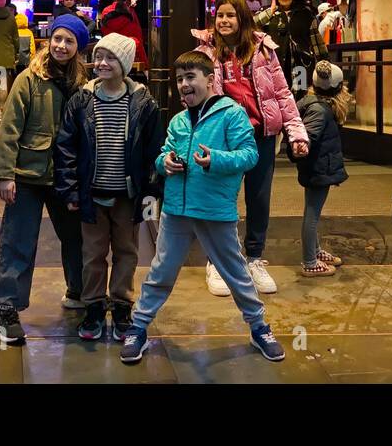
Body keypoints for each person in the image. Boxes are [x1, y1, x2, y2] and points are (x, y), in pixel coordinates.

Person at [120, 50, 285, 365]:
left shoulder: (231, 114)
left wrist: (216, 161)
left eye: (190, 77)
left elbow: (250, 155)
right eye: (179, 79)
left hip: (215, 211)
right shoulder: (179, 120)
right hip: (176, 212)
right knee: (160, 272)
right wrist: (164, 161)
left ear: (210, 80)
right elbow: (165, 151)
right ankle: (138, 327)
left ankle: (259, 327)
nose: (183, 84)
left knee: (236, 274)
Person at [193, 0, 309, 296]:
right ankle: (217, 261)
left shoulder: (264, 51)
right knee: (221, 200)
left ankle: (255, 259)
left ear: (243, 18)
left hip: (261, 137)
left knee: (259, 200)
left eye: (230, 15)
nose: (223, 21)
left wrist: (296, 132)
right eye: (220, 15)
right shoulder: (205, 53)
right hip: (222, 140)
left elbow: (282, 94)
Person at [55, 32, 165, 342]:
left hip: (127, 197)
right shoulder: (82, 100)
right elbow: (66, 148)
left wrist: (151, 194)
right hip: (91, 195)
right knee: (92, 253)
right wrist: (71, 191)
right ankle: (93, 306)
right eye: (99, 57)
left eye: (110, 58)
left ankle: (120, 305)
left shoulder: (143, 103)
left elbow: (153, 152)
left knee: (127, 252)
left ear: (125, 64)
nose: (102, 63)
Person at [0, 13, 92, 344]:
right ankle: (7, 309)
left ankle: (78, 291)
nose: (61, 46)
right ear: (49, 40)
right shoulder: (28, 79)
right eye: (58, 39)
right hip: (28, 176)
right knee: (17, 242)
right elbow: (9, 129)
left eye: (69, 41)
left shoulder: (83, 85)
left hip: (67, 178)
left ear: (78, 47)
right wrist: (6, 175)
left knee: (76, 238)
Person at [294, 61, 350, 277]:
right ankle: (309, 261)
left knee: (312, 210)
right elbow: (306, 139)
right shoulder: (319, 110)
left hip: (318, 166)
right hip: (318, 168)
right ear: (338, 88)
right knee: (312, 214)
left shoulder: (317, 105)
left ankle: (315, 251)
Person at [254, 0, 327, 86]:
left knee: (300, 94)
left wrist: (324, 60)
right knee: (277, 94)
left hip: (301, 65)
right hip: (274, 65)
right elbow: (252, 24)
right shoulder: (267, 12)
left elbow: (316, 40)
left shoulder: (305, 14)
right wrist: (271, 10)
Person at [99, 0, 148, 72]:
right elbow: (137, 32)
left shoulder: (105, 11)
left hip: (110, 47)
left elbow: (103, 30)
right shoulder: (130, 11)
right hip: (128, 50)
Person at [14, 9, 36, 79]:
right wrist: (32, 60)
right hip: (25, 61)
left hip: (15, 60)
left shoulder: (13, 32)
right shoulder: (29, 32)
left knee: (15, 78)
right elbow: (32, 48)